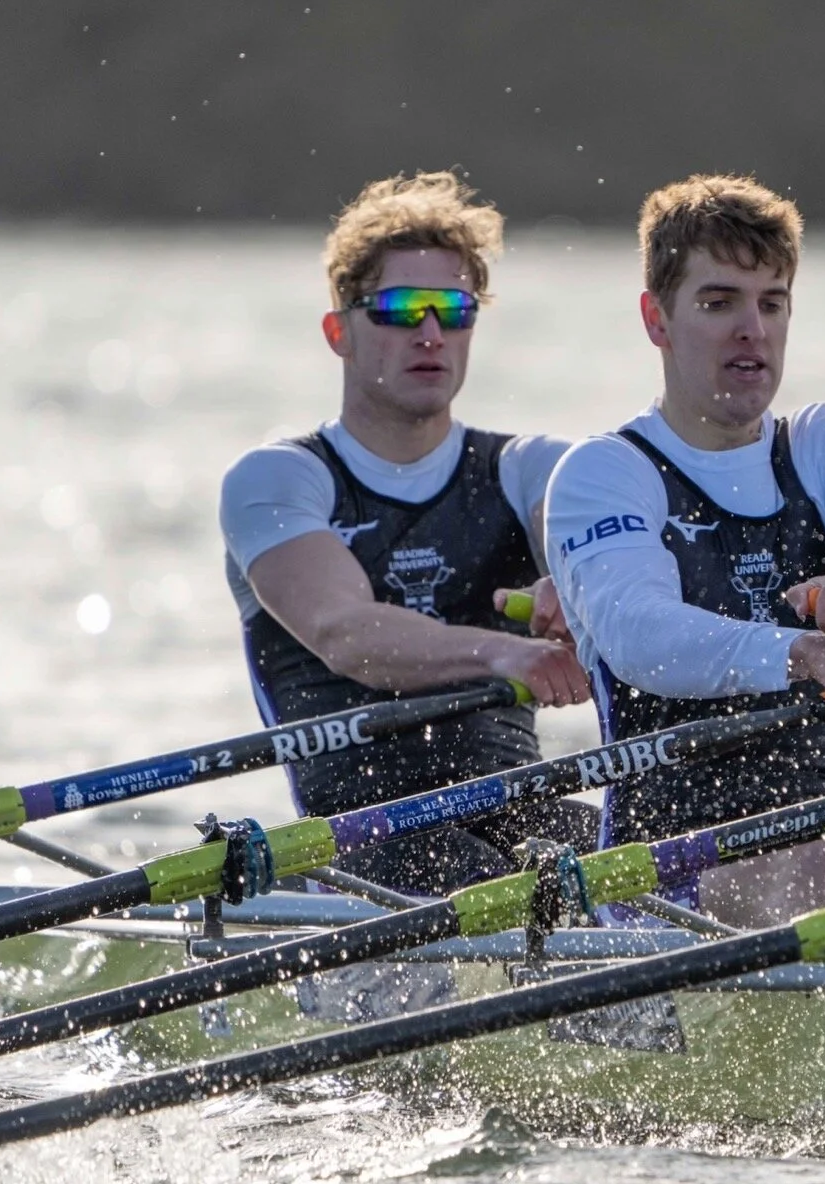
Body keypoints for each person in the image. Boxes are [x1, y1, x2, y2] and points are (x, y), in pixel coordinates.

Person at [544, 174, 825, 927]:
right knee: (813, 872)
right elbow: (638, 636)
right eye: (719, 304)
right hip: (664, 870)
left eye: (771, 303)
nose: (751, 328)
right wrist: (812, 654)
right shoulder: (606, 472)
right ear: (657, 319)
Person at [219, 171, 594, 895]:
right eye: (399, 308)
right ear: (340, 333)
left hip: (514, 812)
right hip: (358, 838)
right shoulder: (277, 481)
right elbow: (345, 631)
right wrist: (505, 652)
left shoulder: (532, 468)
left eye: (454, 309)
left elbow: (603, 548)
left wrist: (584, 583)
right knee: (480, 878)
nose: (430, 332)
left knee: (617, 858)